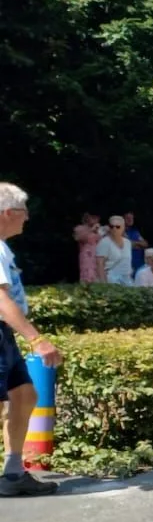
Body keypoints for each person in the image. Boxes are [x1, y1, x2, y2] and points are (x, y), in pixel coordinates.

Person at [0, 184, 63, 496]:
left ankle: (12, 475)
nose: (27, 219)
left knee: (24, 395)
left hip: (4, 335)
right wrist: (37, 340)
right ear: (9, 213)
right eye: (24, 212)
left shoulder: (3, 247)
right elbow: (0, 300)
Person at [95, 215, 135, 285]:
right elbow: (100, 264)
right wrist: (104, 284)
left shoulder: (127, 242)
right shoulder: (104, 242)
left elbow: (127, 261)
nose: (114, 229)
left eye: (117, 227)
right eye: (111, 226)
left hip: (127, 280)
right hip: (110, 279)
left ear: (123, 228)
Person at [73, 213, 101, 283]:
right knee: (87, 276)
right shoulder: (80, 228)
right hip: (87, 257)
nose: (95, 219)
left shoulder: (100, 229)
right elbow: (78, 238)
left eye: (96, 217)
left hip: (97, 257)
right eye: (93, 217)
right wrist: (91, 230)